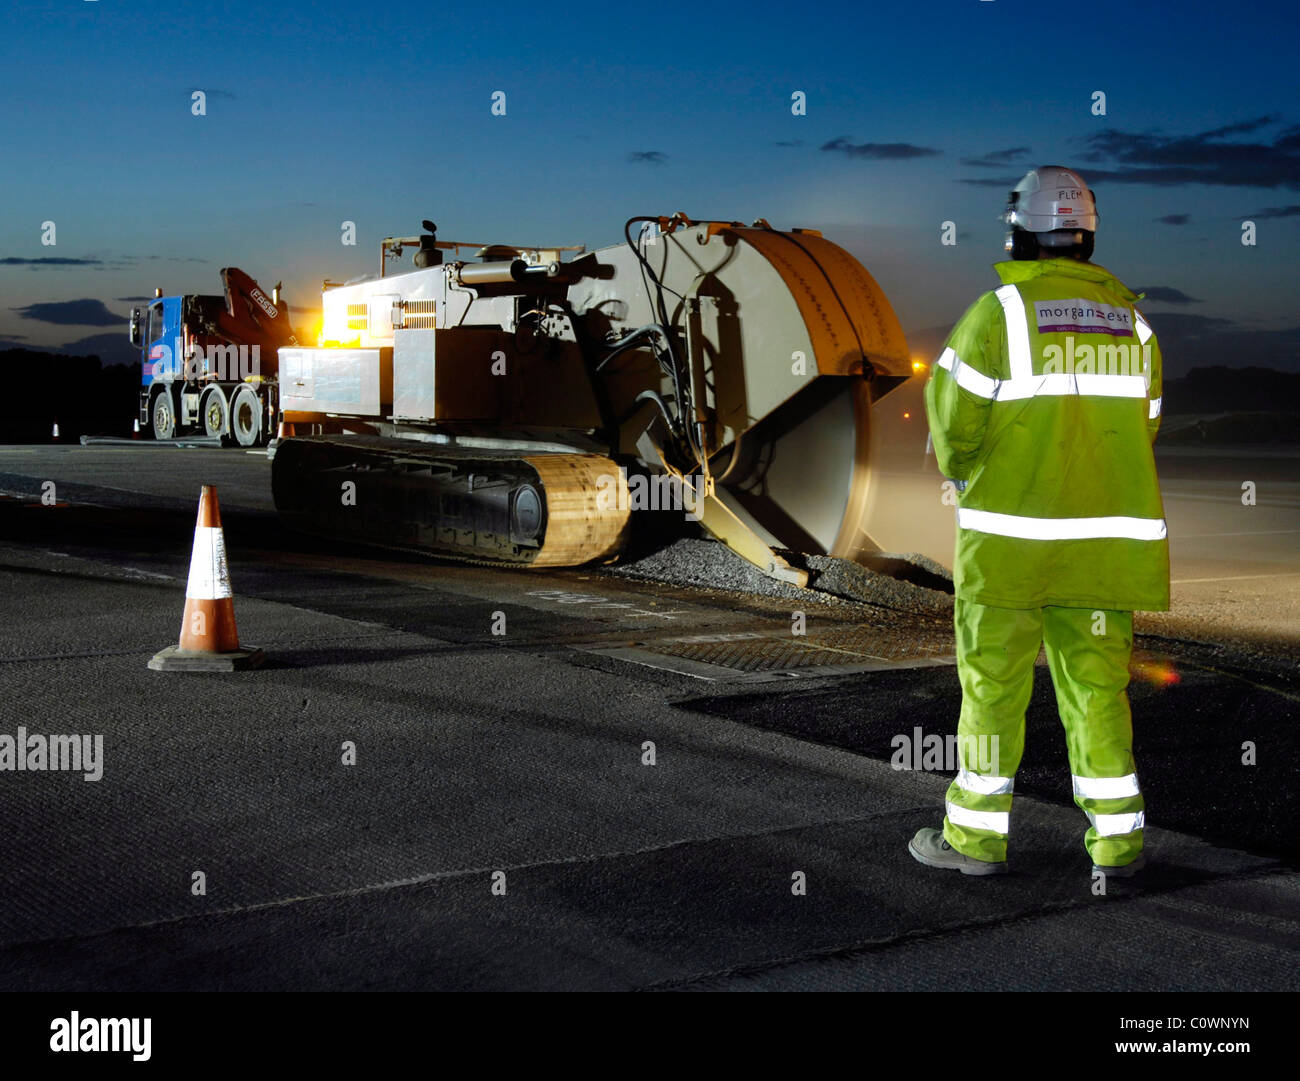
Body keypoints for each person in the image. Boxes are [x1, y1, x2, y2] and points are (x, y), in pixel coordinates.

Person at [911, 165, 1169, 879]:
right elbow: (1143, 428)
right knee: (1097, 691)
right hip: (1104, 554)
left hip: (1010, 554)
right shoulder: (1134, 327)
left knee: (992, 693)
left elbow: (954, 427)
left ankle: (975, 843)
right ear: (1087, 236)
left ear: (1020, 229)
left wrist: (972, 470)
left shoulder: (1001, 314)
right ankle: (1118, 846)